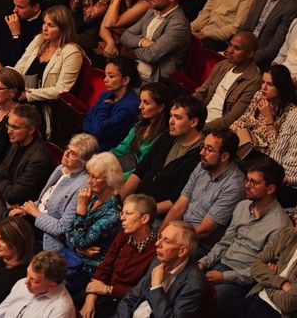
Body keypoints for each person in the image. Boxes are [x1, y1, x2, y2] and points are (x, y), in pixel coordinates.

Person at [198, 156, 291, 305]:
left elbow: (262, 270)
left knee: (207, 299)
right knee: (184, 281)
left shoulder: (280, 225)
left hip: (239, 280)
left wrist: (223, 276)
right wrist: (204, 263)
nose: (246, 186)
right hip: (220, 264)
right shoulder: (242, 205)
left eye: (253, 182)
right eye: (247, 180)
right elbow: (225, 242)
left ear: (271, 188)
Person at [160, 128, 245, 259]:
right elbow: (179, 206)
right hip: (180, 229)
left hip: (199, 243)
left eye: (209, 149)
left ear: (224, 156)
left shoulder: (234, 186)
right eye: (202, 146)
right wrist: (162, 235)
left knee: (160, 258)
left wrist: (171, 240)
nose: (202, 152)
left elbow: (205, 230)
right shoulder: (203, 166)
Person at [10, 134, 99, 252]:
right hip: (35, 221)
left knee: (9, 236)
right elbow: (45, 201)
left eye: (73, 154)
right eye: (67, 148)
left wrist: (36, 213)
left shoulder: (82, 186)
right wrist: (25, 209)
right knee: (6, 220)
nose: (65, 154)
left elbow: (62, 228)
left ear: (84, 162)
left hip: (48, 238)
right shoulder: (60, 169)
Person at [124, 96, 207, 217]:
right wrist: (121, 202)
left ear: (194, 122)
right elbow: (140, 171)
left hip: (157, 215)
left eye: (177, 117)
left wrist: (141, 213)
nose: (171, 121)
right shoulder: (167, 137)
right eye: (171, 116)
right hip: (136, 204)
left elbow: (177, 200)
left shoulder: (200, 155)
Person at [78, 194, 158, 318]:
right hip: (102, 294)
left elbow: (142, 291)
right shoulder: (124, 235)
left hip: (125, 304)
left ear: (145, 218)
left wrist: (107, 289)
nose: (122, 218)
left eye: (128, 214)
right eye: (122, 213)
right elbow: (105, 267)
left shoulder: (157, 250)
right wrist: (90, 299)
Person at [13, 5, 83, 138]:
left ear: (63, 28)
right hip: (21, 97)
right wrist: (11, 84)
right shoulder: (39, 40)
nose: (45, 28)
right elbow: (20, 66)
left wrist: (28, 95)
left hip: (44, 108)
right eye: (44, 23)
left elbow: (62, 90)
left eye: (51, 25)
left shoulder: (71, 52)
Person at [113, 221, 209, 317]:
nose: (157, 243)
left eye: (166, 241)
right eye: (160, 237)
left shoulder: (195, 283)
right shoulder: (158, 260)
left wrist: (156, 287)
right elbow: (130, 299)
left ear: (182, 251)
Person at [63, 152, 123, 291]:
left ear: (109, 179)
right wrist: (80, 249)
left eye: (95, 177)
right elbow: (67, 230)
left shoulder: (113, 213)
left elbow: (78, 240)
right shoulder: (93, 196)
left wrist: (81, 210)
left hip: (89, 271)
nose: (89, 181)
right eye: (89, 175)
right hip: (75, 258)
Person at [120, 0, 190, 83]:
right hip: (134, 69)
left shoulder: (178, 24)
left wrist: (131, 51)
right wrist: (142, 41)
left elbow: (151, 55)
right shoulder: (152, 11)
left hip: (153, 80)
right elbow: (125, 35)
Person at [194, 31, 262, 130]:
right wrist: (183, 108)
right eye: (230, 45)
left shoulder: (253, 81)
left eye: (237, 48)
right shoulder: (223, 65)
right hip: (199, 118)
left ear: (250, 54)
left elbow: (230, 119)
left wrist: (200, 128)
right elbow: (201, 92)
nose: (230, 51)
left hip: (214, 130)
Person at [240, 0, 297, 67]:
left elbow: (274, 46)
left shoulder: (290, 6)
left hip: (259, 59)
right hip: (244, 49)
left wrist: (247, 57)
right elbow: (248, 25)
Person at [230, 65, 297, 158]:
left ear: (281, 87)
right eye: (263, 82)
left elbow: (277, 148)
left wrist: (269, 119)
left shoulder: (291, 112)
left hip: (264, 156)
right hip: (247, 144)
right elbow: (243, 119)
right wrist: (230, 135)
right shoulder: (259, 96)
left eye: (270, 84)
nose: (263, 88)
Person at [0, 104, 54, 206]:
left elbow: (13, 195)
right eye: (8, 125)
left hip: (21, 209)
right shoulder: (17, 142)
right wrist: (4, 184)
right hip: (4, 199)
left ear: (31, 130)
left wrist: (2, 183)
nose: (9, 131)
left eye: (15, 127)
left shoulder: (39, 158)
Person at [0, 251, 76, 318]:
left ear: (51, 285)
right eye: (27, 274)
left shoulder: (61, 309)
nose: (26, 281)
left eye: (33, 280)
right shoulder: (22, 284)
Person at [111, 82, 172, 177]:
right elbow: (122, 149)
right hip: (122, 166)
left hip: (133, 178)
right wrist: (104, 160)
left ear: (161, 107)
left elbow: (143, 168)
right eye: (141, 101)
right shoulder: (140, 126)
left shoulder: (164, 136)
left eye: (146, 103)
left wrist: (114, 175)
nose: (140, 107)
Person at [95, 0, 151, 65]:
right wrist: (110, 42)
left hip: (130, 51)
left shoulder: (144, 3)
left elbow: (112, 23)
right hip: (114, 45)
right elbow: (103, 27)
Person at [83, 57, 141, 151]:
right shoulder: (106, 94)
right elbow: (87, 121)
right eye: (105, 75)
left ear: (125, 80)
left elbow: (101, 130)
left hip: (106, 154)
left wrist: (105, 106)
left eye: (111, 76)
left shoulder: (130, 106)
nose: (105, 80)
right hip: (89, 145)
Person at [0, 0, 44, 69]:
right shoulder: (10, 14)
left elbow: (19, 60)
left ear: (35, 7)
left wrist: (16, 34)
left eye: (20, 7)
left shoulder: (42, 28)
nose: (15, 10)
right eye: (15, 5)